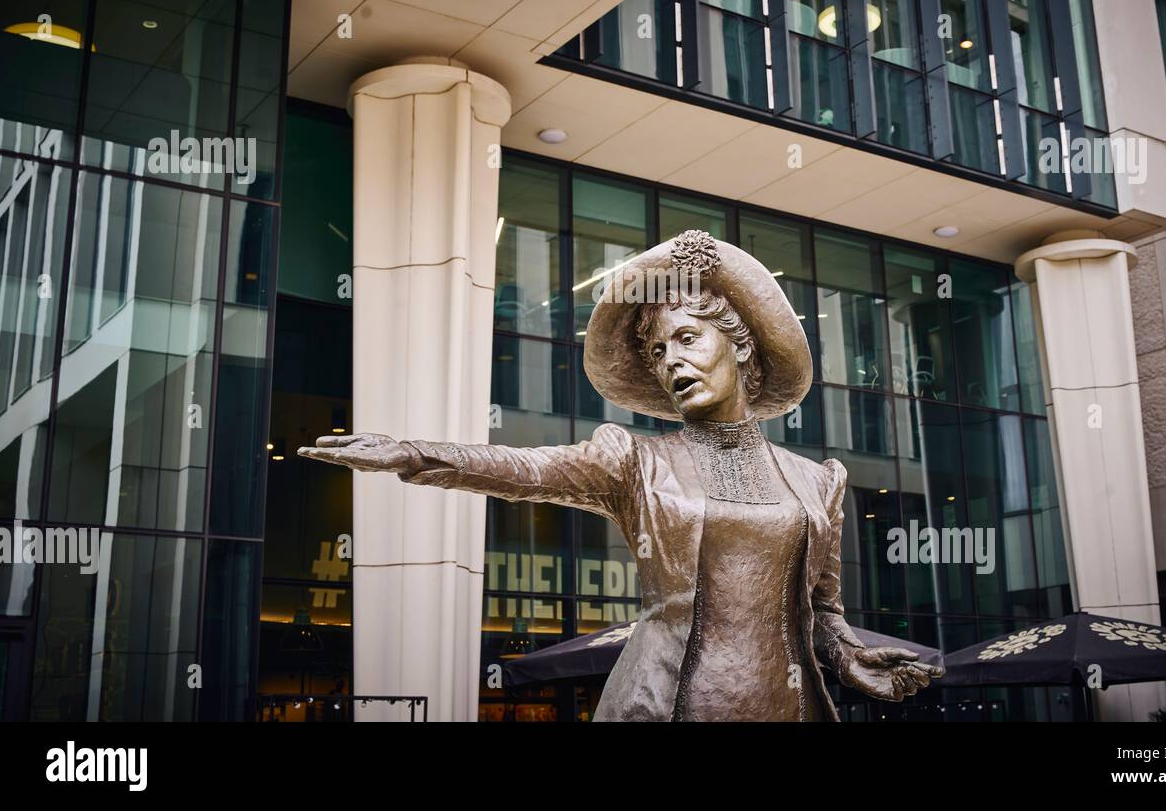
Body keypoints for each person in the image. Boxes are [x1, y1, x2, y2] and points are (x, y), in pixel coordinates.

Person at [300, 230, 942, 721]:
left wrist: (849, 655)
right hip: (664, 702)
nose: (672, 364)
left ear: (739, 344)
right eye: (659, 353)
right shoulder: (636, 462)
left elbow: (821, 608)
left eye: (687, 339)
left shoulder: (817, 481)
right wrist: (412, 454)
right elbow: (526, 468)